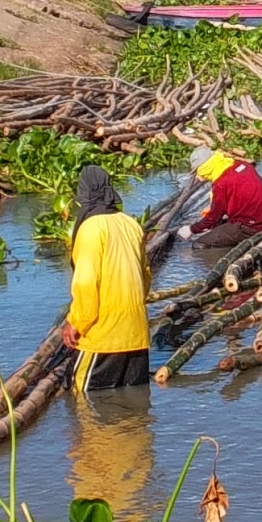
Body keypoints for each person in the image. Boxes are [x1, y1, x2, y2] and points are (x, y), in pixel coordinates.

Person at [62, 165, 151, 391]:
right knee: (135, 408)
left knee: (80, 398)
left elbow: (86, 283)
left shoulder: (90, 228)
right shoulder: (130, 223)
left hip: (104, 337)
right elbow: (145, 276)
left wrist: (76, 322)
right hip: (137, 334)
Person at [175, 146, 262, 250]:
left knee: (199, 244)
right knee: (217, 227)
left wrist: (191, 229)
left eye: (198, 171)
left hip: (251, 226)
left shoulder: (221, 183)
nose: (198, 175)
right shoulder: (241, 165)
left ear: (204, 167)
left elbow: (213, 218)